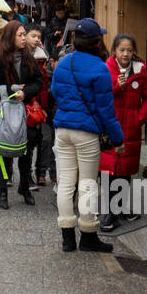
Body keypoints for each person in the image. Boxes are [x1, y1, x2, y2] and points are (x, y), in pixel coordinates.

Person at [51, 19, 124, 252]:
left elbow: (55, 92)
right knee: (87, 184)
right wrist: (118, 139)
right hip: (86, 133)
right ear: (96, 42)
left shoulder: (63, 63)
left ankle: (67, 238)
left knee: (66, 183)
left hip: (62, 130)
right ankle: (88, 236)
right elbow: (106, 109)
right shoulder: (100, 68)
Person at [100, 33, 147, 232]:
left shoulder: (141, 71)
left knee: (124, 171)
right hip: (110, 127)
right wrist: (118, 86)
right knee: (108, 171)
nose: (125, 54)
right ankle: (110, 214)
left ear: (134, 52)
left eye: (129, 50)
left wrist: (140, 118)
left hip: (131, 128)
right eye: (121, 50)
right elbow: (102, 95)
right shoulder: (106, 69)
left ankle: (118, 209)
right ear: (114, 51)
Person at [0, 21, 42, 209]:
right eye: (20, 35)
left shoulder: (29, 56)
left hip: (24, 112)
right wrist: (12, 91)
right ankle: (2, 192)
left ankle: (24, 187)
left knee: (26, 153)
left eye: (25, 34)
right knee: (5, 153)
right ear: (10, 37)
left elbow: (38, 81)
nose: (24, 38)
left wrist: (26, 93)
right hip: (3, 112)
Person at [27, 25, 55, 188]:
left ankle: (40, 172)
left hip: (41, 105)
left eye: (39, 36)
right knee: (28, 143)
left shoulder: (42, 56)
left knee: (45, 139)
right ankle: (27, 174)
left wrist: (44, 107)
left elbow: (44, 84)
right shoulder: (18, 55)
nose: (37, 39)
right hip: (25, 103)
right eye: (33, 36)